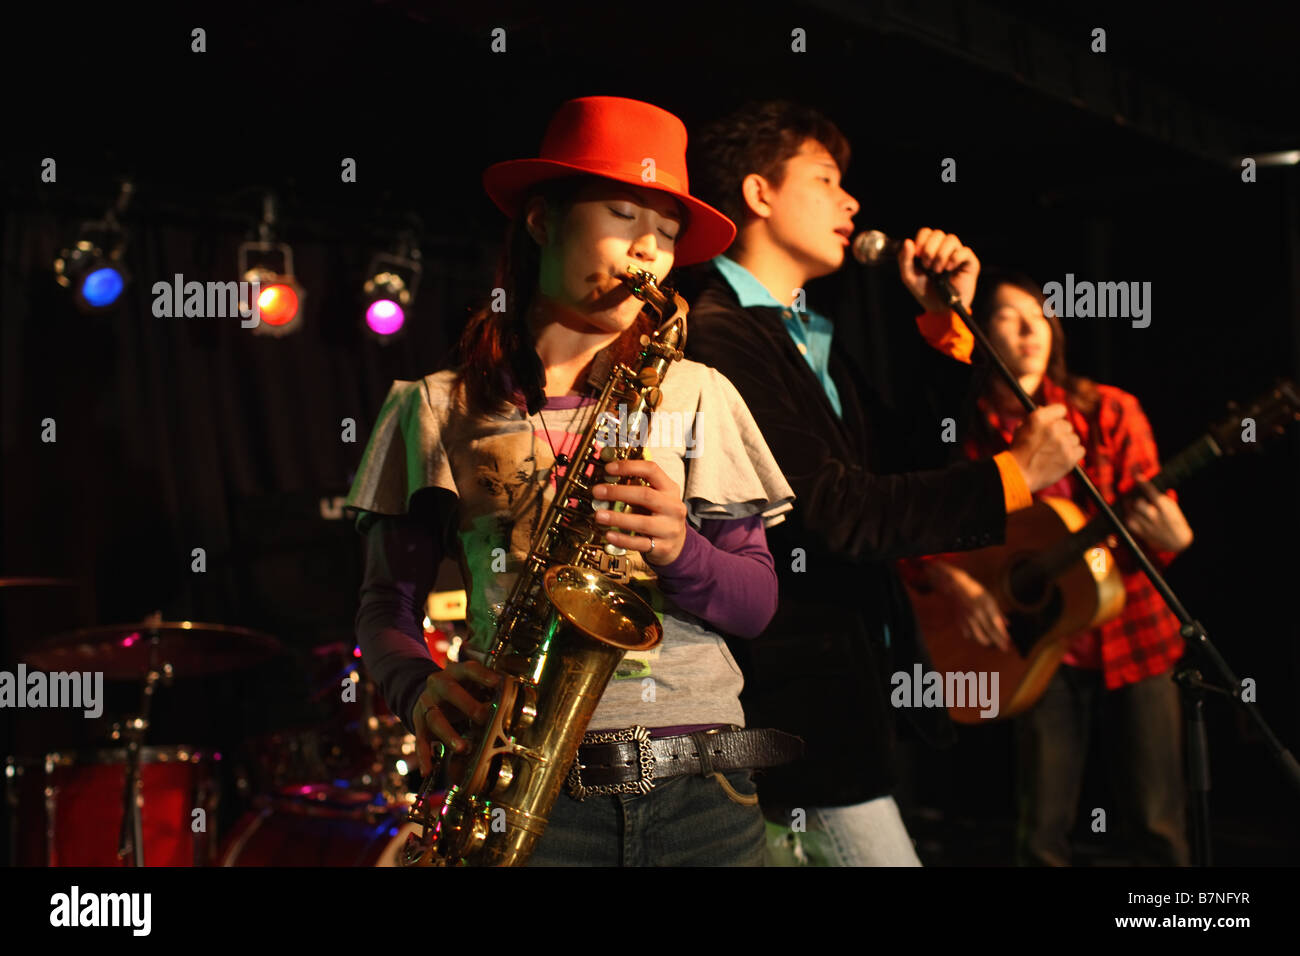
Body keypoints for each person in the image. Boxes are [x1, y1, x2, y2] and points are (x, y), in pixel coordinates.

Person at [343, 96, 798, 867]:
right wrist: (417, 688)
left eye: (667, 232)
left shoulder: (699, 391)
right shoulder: (434, 404)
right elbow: (386, 605)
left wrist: (680, 549)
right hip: (527, 792)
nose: (648, 249)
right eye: (624, 214)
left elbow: (755, 605)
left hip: (704, 794)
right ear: (542, 219)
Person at [682, 100, 1085, 865]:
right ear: (759, 195)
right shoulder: (720, 335)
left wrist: (943, 322)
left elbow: (902, 465)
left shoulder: (801, 332)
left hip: (844, 704)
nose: (852, 202)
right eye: (826, 178)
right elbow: (832, 511)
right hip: (795, 713)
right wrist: (1013, 476)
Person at [921, 269, 1193, 866]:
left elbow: (1154, 534)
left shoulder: (1111, 411)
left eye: (1040, 316)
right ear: (976, 331)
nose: (1030, 330)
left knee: (1158, 824)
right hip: (1040, 646)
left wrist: (1170, 541)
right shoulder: (968, 433)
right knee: (1040, 829)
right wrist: (955, 577)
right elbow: (930, 529)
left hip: (1134, 634)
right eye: (1008, 317)